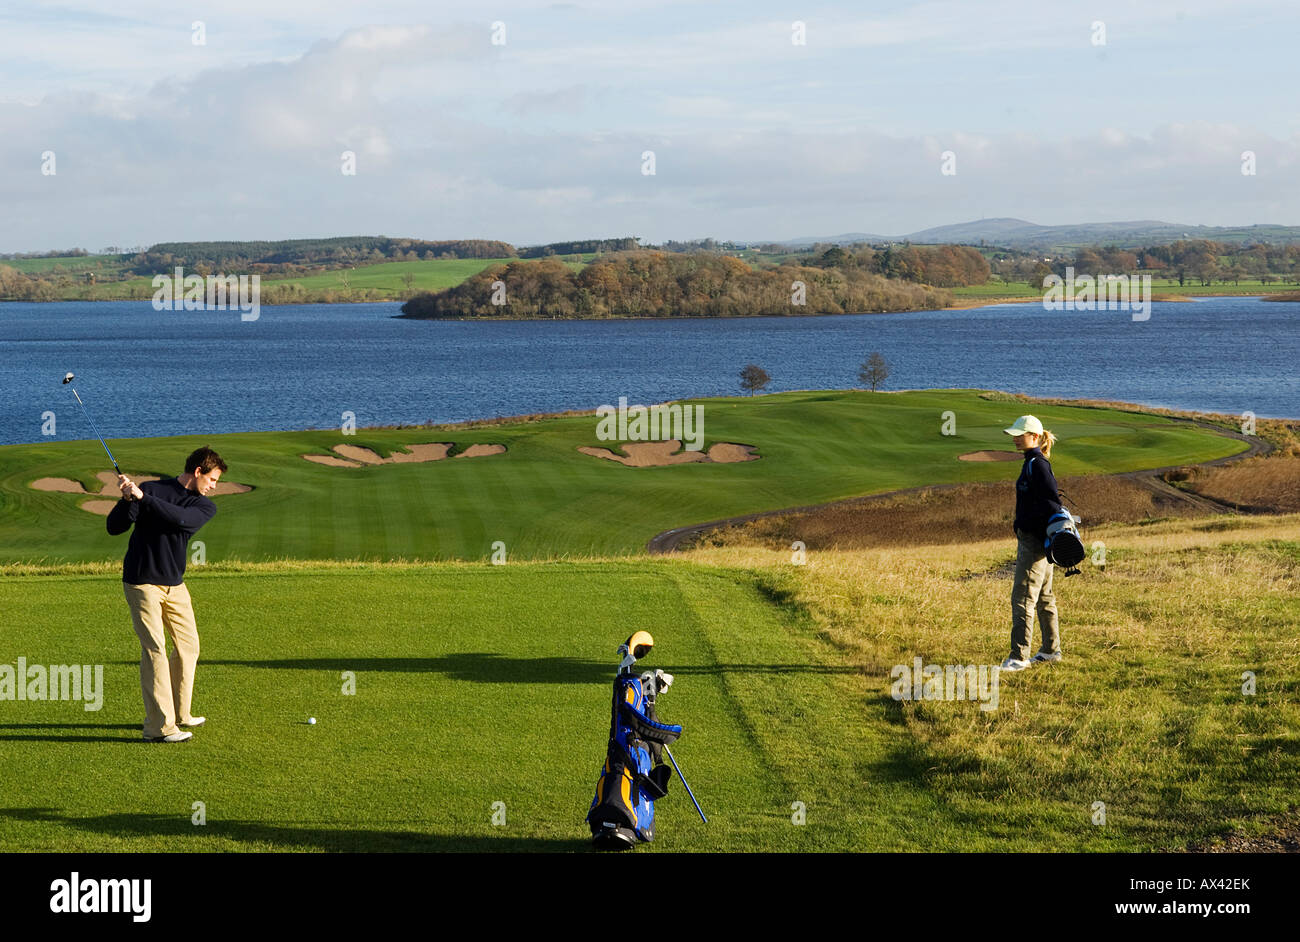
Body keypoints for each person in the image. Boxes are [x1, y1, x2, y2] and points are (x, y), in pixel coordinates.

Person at [107, 446, 227, 742]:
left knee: (189, 648)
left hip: (175, 583)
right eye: (212, 479)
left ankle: (180, 713)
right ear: (198, 472)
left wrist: (144, 499)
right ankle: (159, 728)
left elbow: (180, 520)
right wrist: (126, 500)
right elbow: (114, 527)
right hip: (142, 582)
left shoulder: (202, 506)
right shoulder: (151, 489)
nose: (214, 486)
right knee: (155, 651)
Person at [1001, 415, 1063, 672]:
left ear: (1035, 437)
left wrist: (1034, 532)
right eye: (1015, 434)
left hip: (1035, 543)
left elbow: (1052, 502)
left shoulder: (1037, 464)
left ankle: (1018, 657)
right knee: (1044, 597)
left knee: (1023, 598)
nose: (1015, 438)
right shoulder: (1033, 462)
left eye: (1021, 434)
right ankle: (1050, 650)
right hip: (1040, 542)